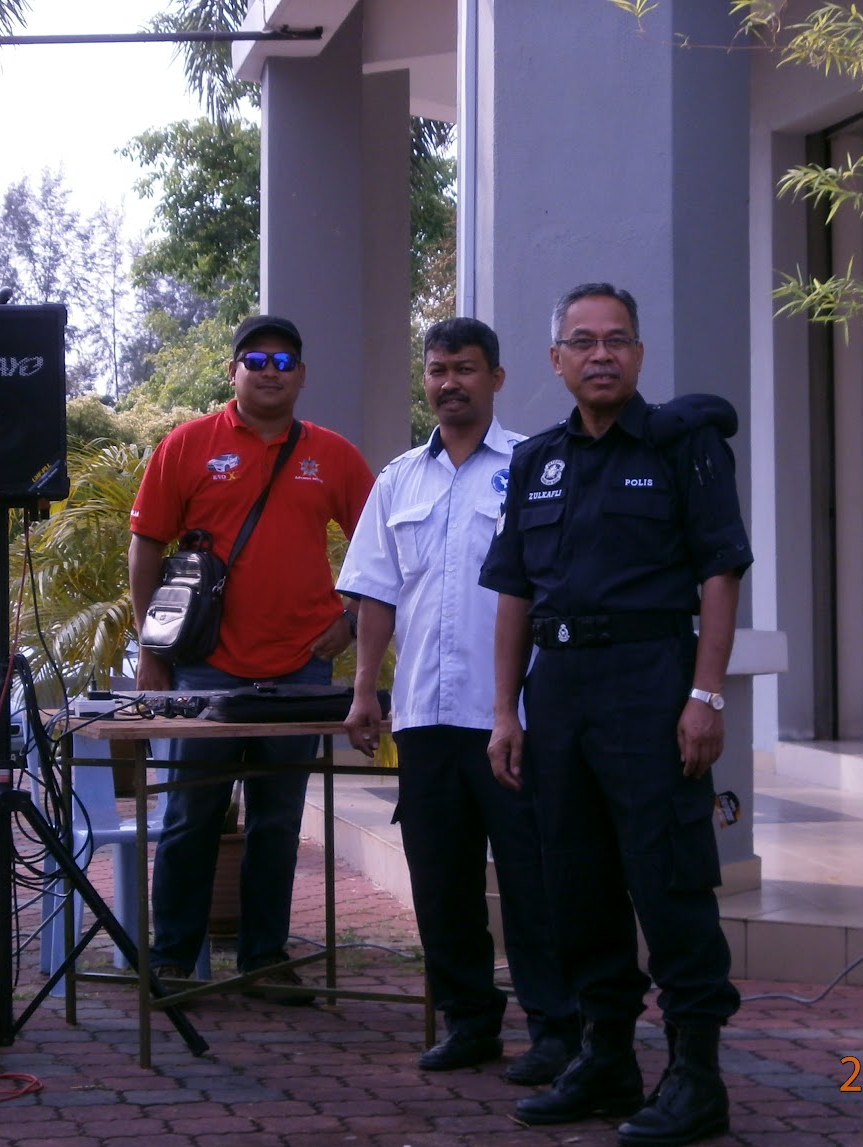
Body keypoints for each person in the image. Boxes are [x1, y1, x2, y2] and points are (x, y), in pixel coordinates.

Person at [479, 283, 752, 1147]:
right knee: (577, 880)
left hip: (651, 684)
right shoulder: (536, 462)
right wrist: (504, 710)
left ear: (639, 355)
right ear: (556, 359)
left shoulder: (683, 444)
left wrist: (706, 694)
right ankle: (605, 1058)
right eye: (583, 341)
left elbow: (719, 571)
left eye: (618, 341)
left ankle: (696, 1074)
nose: (602, 355)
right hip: (558, 691)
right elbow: (515, 589)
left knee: (668, 878)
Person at [338, 318, 581, 1085]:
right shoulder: (398, 479)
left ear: (497, 379)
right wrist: (364, 689)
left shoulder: (537, 468)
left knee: (531, 880)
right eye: (438, 369)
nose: (450, 382)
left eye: (466, 369)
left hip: (511, 718)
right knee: (440, 880)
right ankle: (469, 1021)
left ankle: (555, 1029)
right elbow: (376, 592)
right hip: (424, 717)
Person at [128, 314, 374, 1001]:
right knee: (190, 814)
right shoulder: (188, 445)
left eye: (284, 361)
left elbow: (383, 547)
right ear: (233, 371)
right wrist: (153, 649)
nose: (270, 371)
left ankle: (264, 960)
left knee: (277, 821)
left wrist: (352, 621)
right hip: (207, 667)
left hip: (301, 669)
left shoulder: (333, 454)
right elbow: (146, 543)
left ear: (301, 374)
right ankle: (172, 958)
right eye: (256, 359)